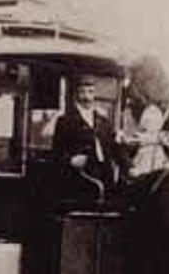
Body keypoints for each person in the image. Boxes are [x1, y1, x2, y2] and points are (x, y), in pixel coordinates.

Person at [52, 74, 124, 204]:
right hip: (80, 176)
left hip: (105, 175)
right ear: (76, 94)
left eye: (90, 92)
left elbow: (115, 148)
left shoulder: (103, 121)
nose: (87, 97)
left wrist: (130, 167)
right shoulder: (65, 121)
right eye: (83, 92)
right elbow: (56, 153)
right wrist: (70, 160)